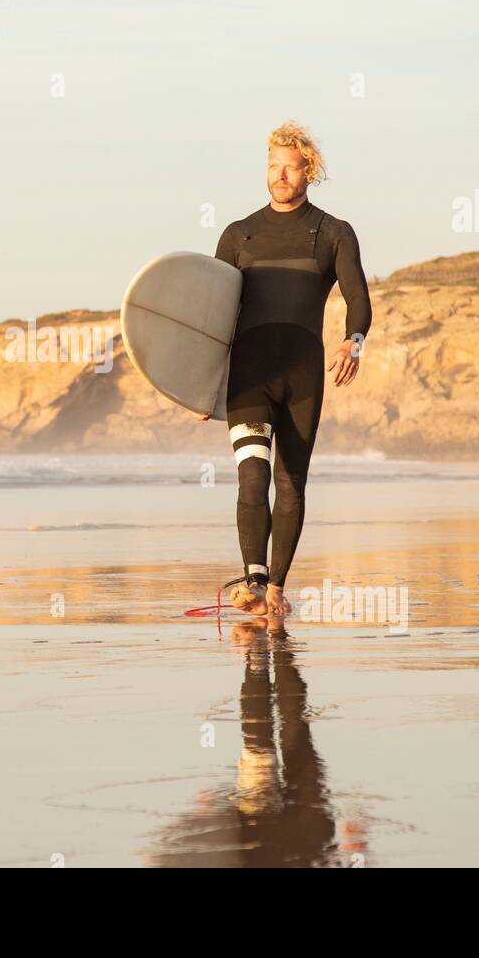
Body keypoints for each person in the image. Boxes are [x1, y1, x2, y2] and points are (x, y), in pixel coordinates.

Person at [205, 122, 371, 619]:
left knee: (291, 483)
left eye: (289, 167)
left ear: (308, 171)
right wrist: (201, 387)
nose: (279, 175)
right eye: (272, 166)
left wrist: (353, 342)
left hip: (302, 377)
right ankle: (254, 580)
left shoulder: (333, 233)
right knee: (252, 480)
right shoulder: (238, 235)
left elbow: (359, 299)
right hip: (248, 377)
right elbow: (212, 319)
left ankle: (277, 586)